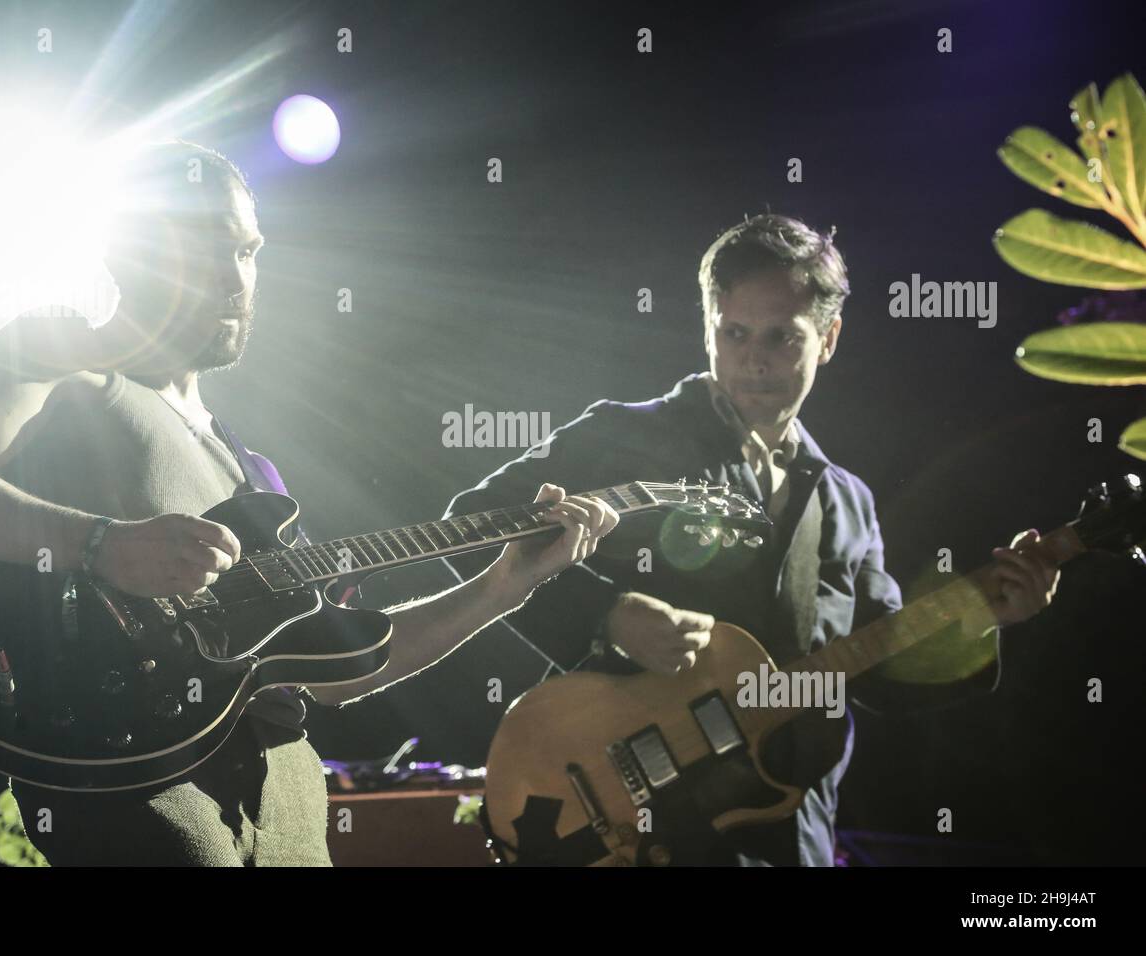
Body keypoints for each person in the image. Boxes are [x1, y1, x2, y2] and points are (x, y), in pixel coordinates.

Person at [0, 141, 618, 866]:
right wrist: (104, 543)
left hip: (290, 795)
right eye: (208, 248)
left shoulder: (257, 474)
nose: (235, 277)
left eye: (247, 251)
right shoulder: (61, 355)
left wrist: (502, 585)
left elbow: (339, 674)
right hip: (138, 776)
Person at [443, 214, 1060, 866]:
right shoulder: (623, 436)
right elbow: (473, 529)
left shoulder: (847, 501)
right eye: (733, 333)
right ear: (707, 329)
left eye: (781, 337)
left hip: (789, 832)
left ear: (829, 339)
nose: (755, 358)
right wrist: (607, 615)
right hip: (637, 820)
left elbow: (877, 671)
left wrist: (985, 618)